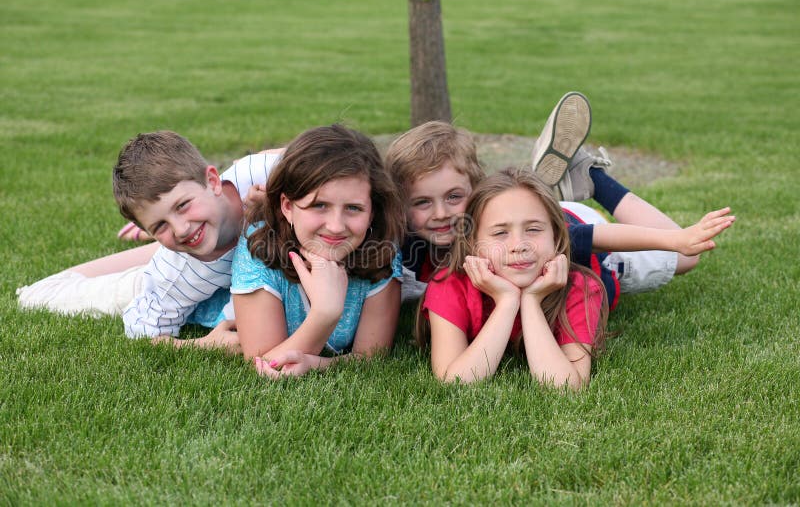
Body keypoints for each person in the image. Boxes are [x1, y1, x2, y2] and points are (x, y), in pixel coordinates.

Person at [385, 92, 735, 308]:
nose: (441, 213)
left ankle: (592, 180)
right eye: (422, 203)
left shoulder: (494, 231)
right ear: (402, 205)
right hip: (528, 224)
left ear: (476, 189)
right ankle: (542, 194)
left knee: (686, 259)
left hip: (581, 239)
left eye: (454, 197)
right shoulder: (405, 243)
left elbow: (598, 238)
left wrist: (676, 240)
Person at [16, 131, 282, 350]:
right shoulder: (174, 274)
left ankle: (152, 237)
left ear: (212, 181)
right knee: (35, 297)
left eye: (182, 205)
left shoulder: (261, 176)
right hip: (177, 260)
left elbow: (318, 156)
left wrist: (278, 199)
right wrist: (204, 344)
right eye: (160, 224)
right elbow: (145, 332)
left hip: (202, 243)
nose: (180, 229)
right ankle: (152, 242)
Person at [230, 124, 405, 378]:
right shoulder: (256, 250)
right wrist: (325, 312)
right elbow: (263, 366)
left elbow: (371, 358)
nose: (335, 226)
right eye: (319, 205)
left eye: (354, 208)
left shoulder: (382, 250)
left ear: (372, 212)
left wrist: (316, 364)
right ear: (288, 207)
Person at [420, 168, 607, 388]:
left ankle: (594, 175)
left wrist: (531, 300)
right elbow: (456, 382)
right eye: (500, 233)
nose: (519, 245)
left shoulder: (580, 286)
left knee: (655, 264)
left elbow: (567, 386)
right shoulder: (449, 284)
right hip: (546, 216)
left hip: (601, 249)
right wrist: (508, 300)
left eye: (533, 230)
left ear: (556, 237)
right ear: (473, 243)